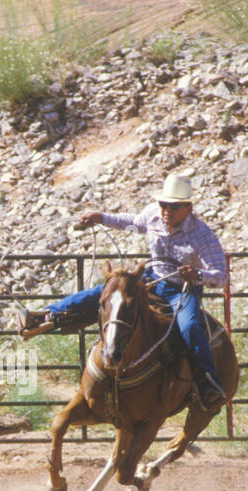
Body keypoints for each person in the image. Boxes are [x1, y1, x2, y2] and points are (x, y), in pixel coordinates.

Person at [17, 171, 228, 410]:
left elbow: (221, 276)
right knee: (106, 294)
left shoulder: (202, 235)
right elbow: (132, 222)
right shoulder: (153, 216)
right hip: (151, 276)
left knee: (189, 325)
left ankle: (206, 380)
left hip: (182, 288)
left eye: (174, 206)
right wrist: (100, 217)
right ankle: (47, 315)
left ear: (188, 207)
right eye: (163, 204)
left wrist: (198, 275)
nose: (166, 210)